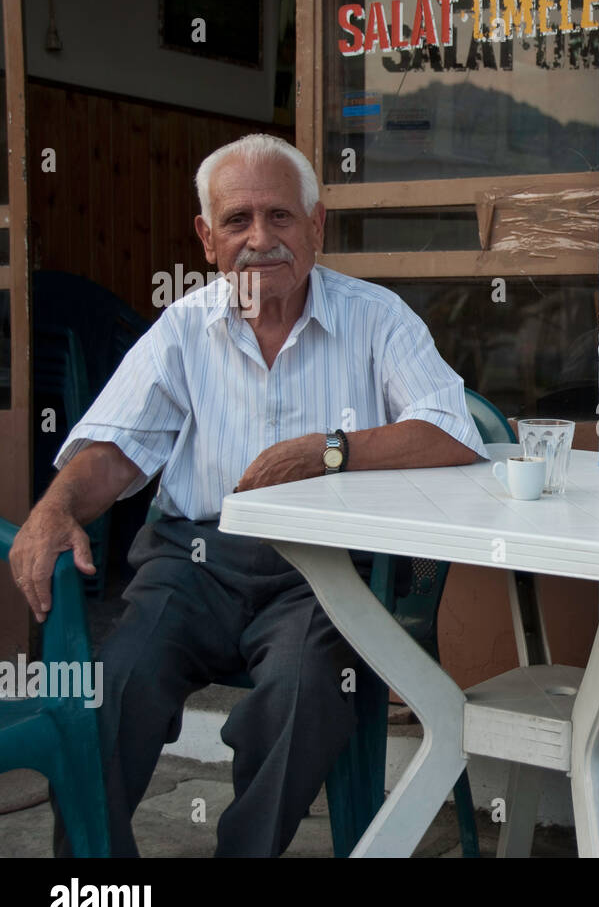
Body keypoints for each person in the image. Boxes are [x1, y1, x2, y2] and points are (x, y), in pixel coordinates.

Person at [9, 133, 487, 856]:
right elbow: (110, 452)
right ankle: (93, 881)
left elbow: (454, 433)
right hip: (191, 563)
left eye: (281, 217)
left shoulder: (376, 318)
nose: (260, 239)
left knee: (301, 699)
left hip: (320, 574)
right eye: (238, 221)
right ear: (207, 238)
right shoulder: (183, 328)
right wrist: (53, 510)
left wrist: (328, 451)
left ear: (317, 226)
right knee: (113, 689)